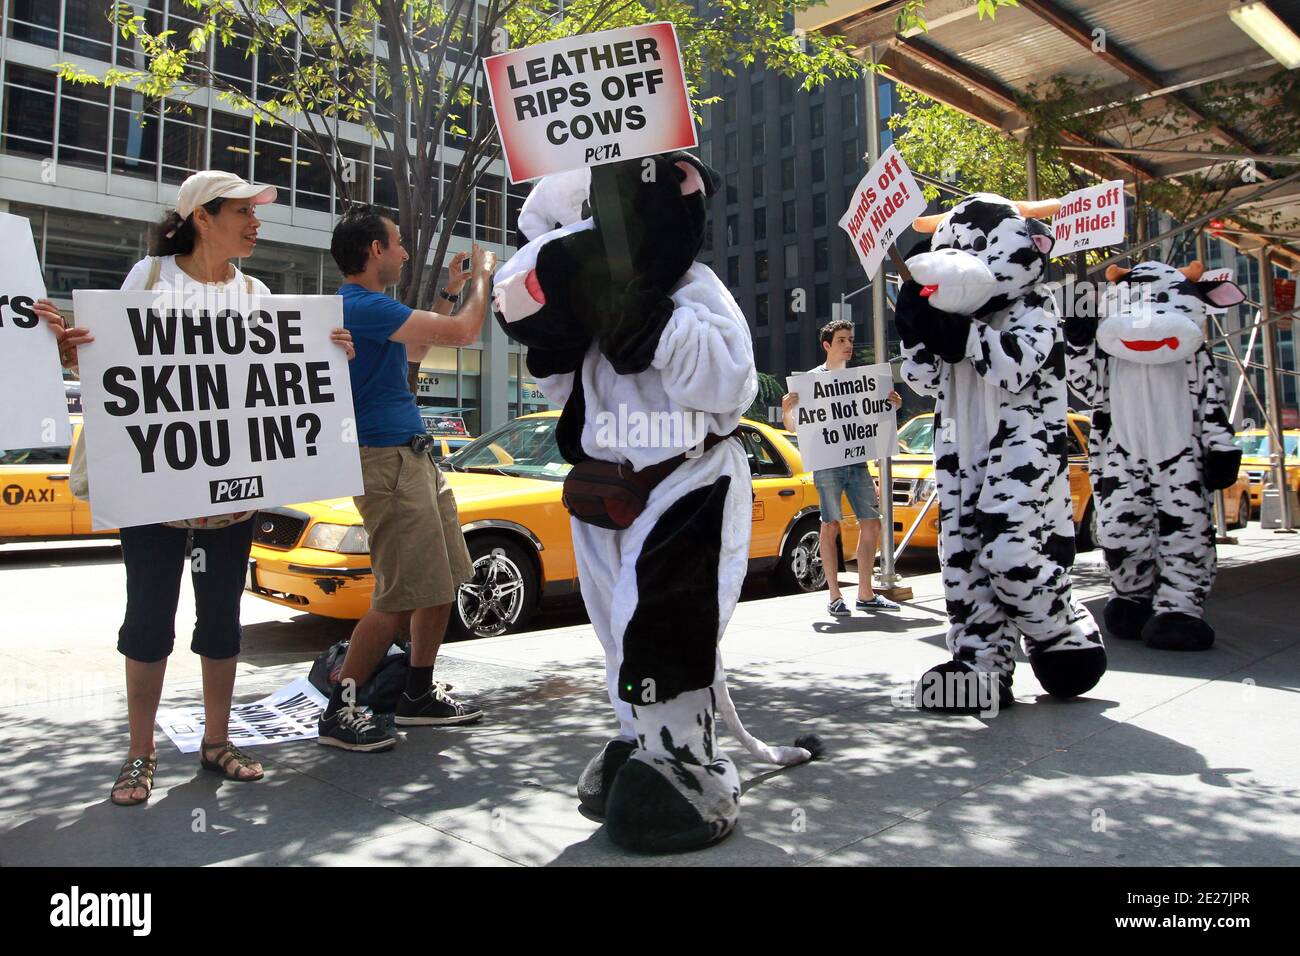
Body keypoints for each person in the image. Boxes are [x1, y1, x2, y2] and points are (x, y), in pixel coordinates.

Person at [35, 170, 356, 805]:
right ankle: (139, 753)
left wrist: (327, 351)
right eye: (244, 211)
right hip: (154, 498)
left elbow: (274, 383)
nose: (257, 222)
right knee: (148, 621)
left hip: (229, 500)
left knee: (221, 621)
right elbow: (113, 369)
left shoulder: (258, 291)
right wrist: (75, 351)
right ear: (202, 218)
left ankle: (216, 742)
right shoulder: (149, 280)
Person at [316, 204, 496, 752]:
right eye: (397, 243)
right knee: (397, 593)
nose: (404, 251)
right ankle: (341, 709)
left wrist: (450, 287)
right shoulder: (358, 303)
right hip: (386, 462)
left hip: (414, 458)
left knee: (440, 579)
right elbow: (465, 332)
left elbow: (418, 350)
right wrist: (484, 278)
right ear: (375, 251)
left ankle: (416, 694)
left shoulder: (376, 308)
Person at [782, 317, 902, 617]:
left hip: (857, 462)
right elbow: (795, 428)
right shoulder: (810, 382)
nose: (848, 345)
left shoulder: (863, 381)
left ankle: (865, 593)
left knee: (872, 524)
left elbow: (872, 424)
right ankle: (834, 595)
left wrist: (892, 407)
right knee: (830, 524)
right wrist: (787, 410)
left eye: (850, 339)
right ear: (827, 345)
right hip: (827, 465)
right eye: (842, 340)